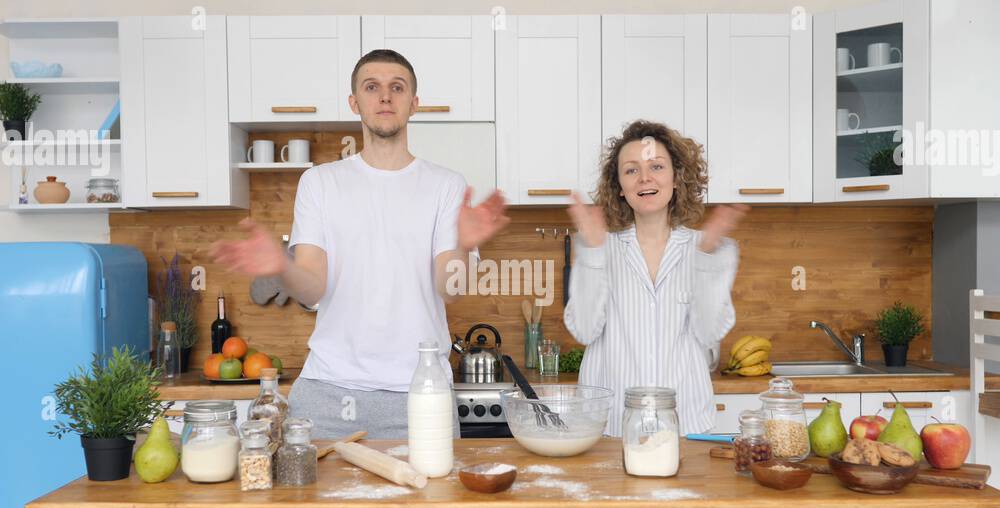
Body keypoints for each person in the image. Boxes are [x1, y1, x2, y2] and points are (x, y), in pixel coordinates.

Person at [210, 49, 509, 438]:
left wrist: (465, 247)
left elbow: (449, 290)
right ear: (355, 102)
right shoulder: (319, 182)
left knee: (432, 498)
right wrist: (282, 266)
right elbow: (314, 285)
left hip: (419, 392)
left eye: (397, 87)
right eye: (372, 87)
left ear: (414, 104)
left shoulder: (446, 185)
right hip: (330, 391)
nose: (385, 97)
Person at [564, 119, 746, 436]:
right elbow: (583, 329)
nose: (645, 177)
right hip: (612, 428)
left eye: (657, 166)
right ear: (619, 186)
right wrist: (593, 254)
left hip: (684, 426)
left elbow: (709, 330)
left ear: (677, 178)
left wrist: (705, 260)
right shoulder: (600, 249)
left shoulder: (704, 249)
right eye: (631, 170)